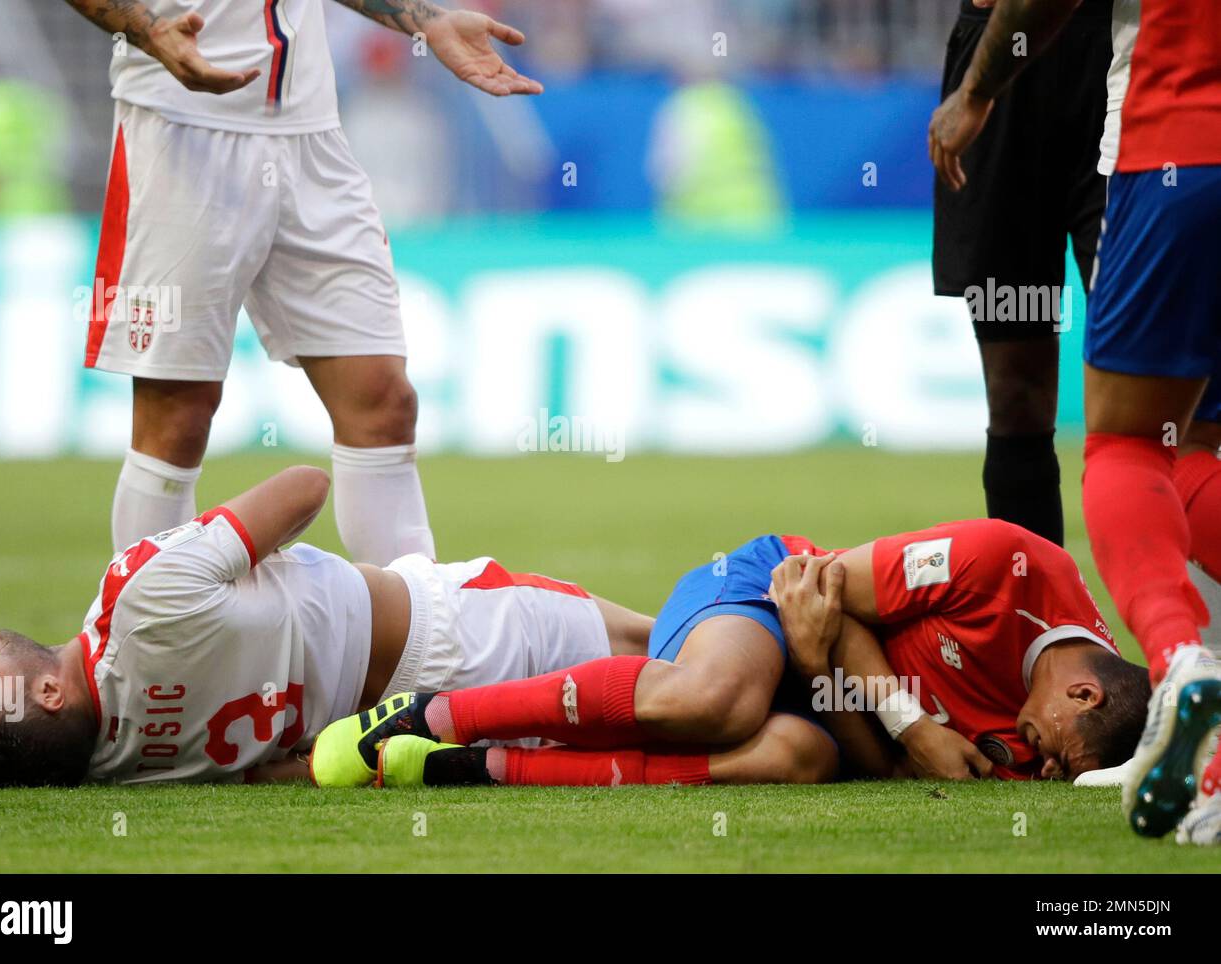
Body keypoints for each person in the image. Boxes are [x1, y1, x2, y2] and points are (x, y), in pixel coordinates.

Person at [62, 0, 541, 564]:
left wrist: (426, 19)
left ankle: (417, 634)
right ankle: (147, 638)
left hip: (312, 136)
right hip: (181, 126)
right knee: (179, 413)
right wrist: (149, 31)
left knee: (384, 401)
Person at [927, 0, 1221, 844]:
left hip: (1131, 85)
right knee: (1022, 398)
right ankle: (1066, 674)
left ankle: (1171, 683)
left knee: (1153, 433)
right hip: (1010, 49)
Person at [309, 517, 1151, 788]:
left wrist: (826, 674)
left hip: (819, 684)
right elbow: (812, 588)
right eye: (1061, 753)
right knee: (720, 704)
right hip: (762, 591)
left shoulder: (1043, 746)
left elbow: (878, 770)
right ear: (1082, 696)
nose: (1044, 770)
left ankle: (463, 767)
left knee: (795, 755)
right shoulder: (1005, 564)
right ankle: (423, 715)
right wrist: (910, 720)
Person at [0, 466, 649, 787]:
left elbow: (279, 773)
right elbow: (307, 485)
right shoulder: (139, 596)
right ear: (48, 696)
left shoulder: (118, 771)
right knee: (670, 657)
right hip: (456, 630)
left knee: (657, 716)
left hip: (408, 734)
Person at [932, 0, 1111, 548]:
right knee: (1015, 392)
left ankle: (1185, 627)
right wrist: (978, 91)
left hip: (1118, 65)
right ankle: (1044, 623)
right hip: (999, 64)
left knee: (1152, 381)